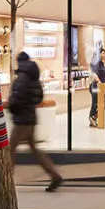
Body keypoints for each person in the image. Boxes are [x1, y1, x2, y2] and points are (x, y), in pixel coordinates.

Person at [8, 52, 63, 191]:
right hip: (31, 118)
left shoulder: (21, 78)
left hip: (22, 120)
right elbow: (38, 97)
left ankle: (6, 180)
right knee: (34, 149)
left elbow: (16, 98)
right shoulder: (34, 77)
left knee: (10, 149)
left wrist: (12, 107)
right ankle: (54, 175)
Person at [89, 47, 105, 127]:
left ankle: (93, 117)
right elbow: (94, 74)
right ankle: (92, 118)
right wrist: (99, 82)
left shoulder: (102, 63)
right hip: (95, 86)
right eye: (103, 53)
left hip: (101, 87)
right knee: (96, 104)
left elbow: (103, 74)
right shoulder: (95, 63)